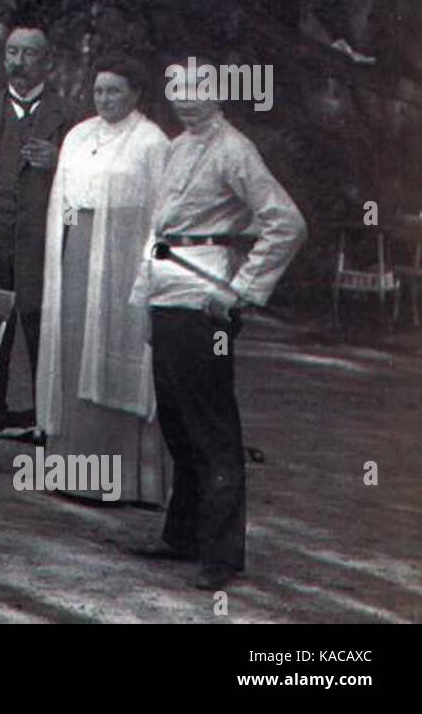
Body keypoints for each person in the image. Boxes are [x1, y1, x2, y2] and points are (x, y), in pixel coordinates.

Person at [130, 57, 305, 590]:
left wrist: (241, 291)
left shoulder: (234, 149)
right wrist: (143, 297)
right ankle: (182, 536)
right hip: (166, 295)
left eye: (196, 89)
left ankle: (223, 555)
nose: (185, 99)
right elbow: (157, 230)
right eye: (176, 89)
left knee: (212, 430)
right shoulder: (177, 148)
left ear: (219, 92)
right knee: (178, 425)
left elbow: (286, 222)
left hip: (204, 300)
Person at [35, 55, 171, 506]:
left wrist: (148, 266)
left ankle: (128, 482)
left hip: (125, 256)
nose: (106, 99)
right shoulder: (78, 135)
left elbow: (162, 211)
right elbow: (65, 198)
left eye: (115, 91)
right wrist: (72, 238)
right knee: (74, 349)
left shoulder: (152, 141)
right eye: (99, 91)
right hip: (80, 253)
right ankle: (70, 471)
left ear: (135, 94)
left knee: (120, 346)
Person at [0, 21, 84, 470]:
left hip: (45, 249)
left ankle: (56, 448)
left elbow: (90, 185)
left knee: (47, 345)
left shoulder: (70, 118)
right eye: (12, 52)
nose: (18, 62)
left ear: (47, 61)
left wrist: (58, 161)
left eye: (28, 54)